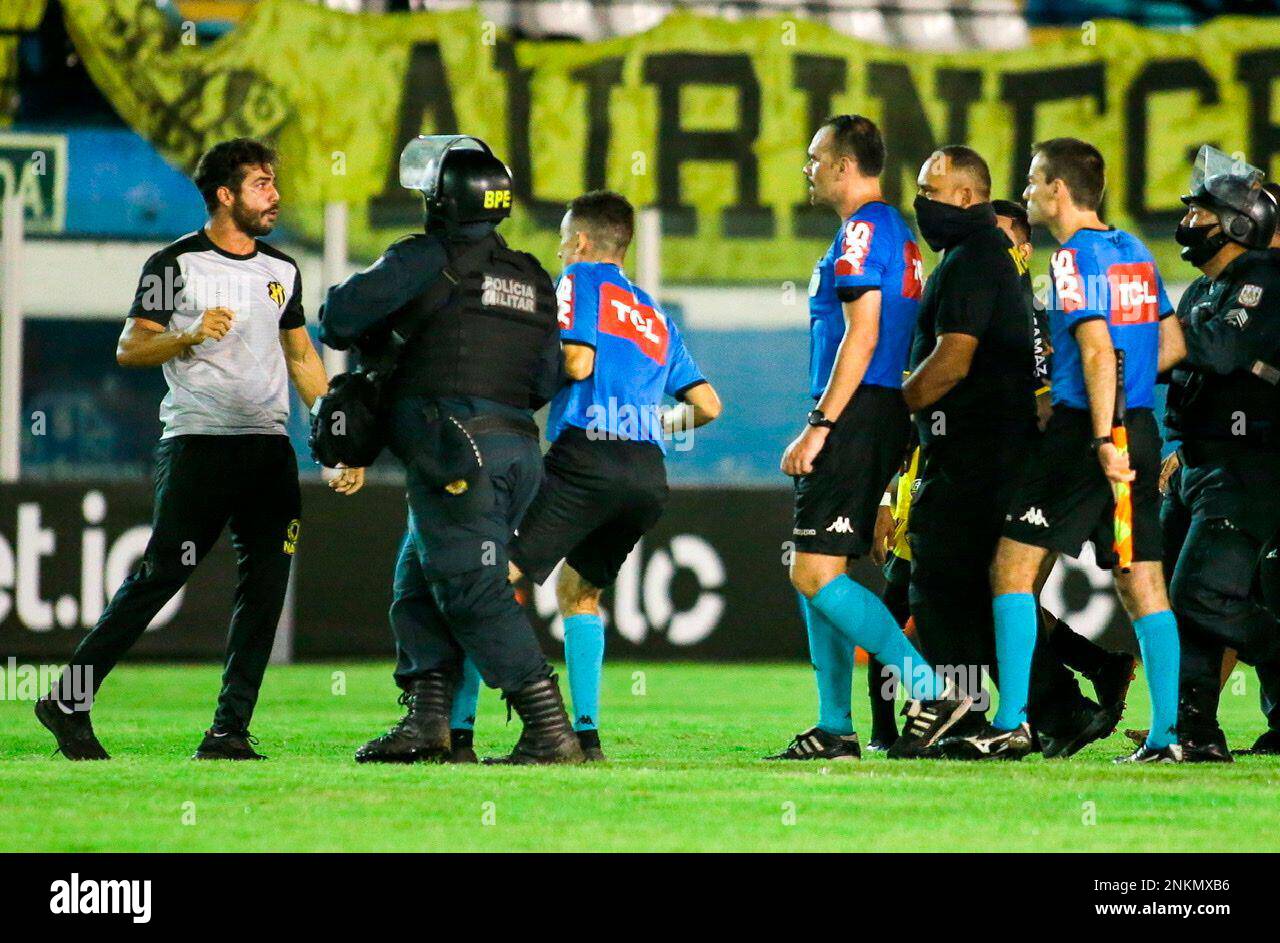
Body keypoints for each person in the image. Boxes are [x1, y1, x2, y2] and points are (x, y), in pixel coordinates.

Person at [35, 138, 364, 762]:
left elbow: (301, 356)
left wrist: (332, 439)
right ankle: (67, 699)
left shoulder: (282, 271)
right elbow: (130, 347)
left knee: (266, 587)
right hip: (198, 445)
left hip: (269, 451)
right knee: (161, 576)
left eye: (273, 183)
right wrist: (187, 336)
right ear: (224, 194)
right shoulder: (174, 264)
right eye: (262, 184)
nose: (275, 195)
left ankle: (228, 733)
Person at [320, 135, 580, 765]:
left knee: (472, 591)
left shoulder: (422, 258)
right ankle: (428, 723)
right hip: (517, 451)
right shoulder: (532, 277)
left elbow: (337, 318)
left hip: (454, 453)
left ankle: (551, 729)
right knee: (417, 582)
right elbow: (546, 379)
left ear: (441, 200)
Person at [477, 191, 724, 762]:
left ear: (582, 242)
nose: (561, 250)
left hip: (587, 460)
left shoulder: (579, 280)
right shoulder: (654, 316)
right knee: (577, 591)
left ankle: (511, 723)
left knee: (489, 580)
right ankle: (586, 738)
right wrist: (656, 424)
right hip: (646, 473)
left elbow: (578, 362)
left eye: (564, 240)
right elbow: (709, 405)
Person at [766, 115, 972, 763]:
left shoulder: (860, 232)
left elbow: (862, 335)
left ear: (845, 165)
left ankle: (931, 691)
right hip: (877, 413)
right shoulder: (897, 234)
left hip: (854, 413)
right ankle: (835, 726)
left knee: (812, 570)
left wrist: (821, 423)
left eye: (815, 157)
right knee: (816, 565)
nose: (808, 168)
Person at [975, 138, 1186, 763]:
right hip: (1140, 428)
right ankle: (1168, 737)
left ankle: (1012, 721)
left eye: (1034, 182)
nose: (1029, 191)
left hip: (1083, 437)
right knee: (1141, 580)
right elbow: (1171, 344)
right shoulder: (1136, 252)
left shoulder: (1070, 260)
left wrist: (1098, 434)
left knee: (1010, 570)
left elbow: (1095, 349)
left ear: (1057, 189)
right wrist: (1125, 415)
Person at [904, 147, 1108, 760]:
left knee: (937, 583)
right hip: (991, 451)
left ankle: (972, 714)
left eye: (930, 190)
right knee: (971, 588)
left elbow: (954, 357)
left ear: (967, 198)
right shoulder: (992, 260)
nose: (921, 203)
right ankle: (1059, 709)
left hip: (976, 456)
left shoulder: (971, 260)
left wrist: (896, 405)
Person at [993, 198, 1137, 723]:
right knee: (1007, 589)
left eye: (1000, 236)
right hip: (1046, 460)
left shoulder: (1035, 302)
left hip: (1047, 465)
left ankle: (1038, 715)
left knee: (1008, 585)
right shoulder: (1003, 299)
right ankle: (1092, 672)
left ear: (1025, 248)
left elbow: (1046, 392)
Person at [1160, 146, 1280, 761]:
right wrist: (1178, 445)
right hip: (1200, 461)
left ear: (1239, 220)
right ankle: (1195, 732)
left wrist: (1117, 326)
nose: (1191, 220)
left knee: (1202, 593)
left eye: (1203, 210)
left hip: (1249, 463)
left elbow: (1222, 352)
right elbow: (1184, 372)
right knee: (1176, 598)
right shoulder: (1205, 289)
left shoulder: (1268, 277)